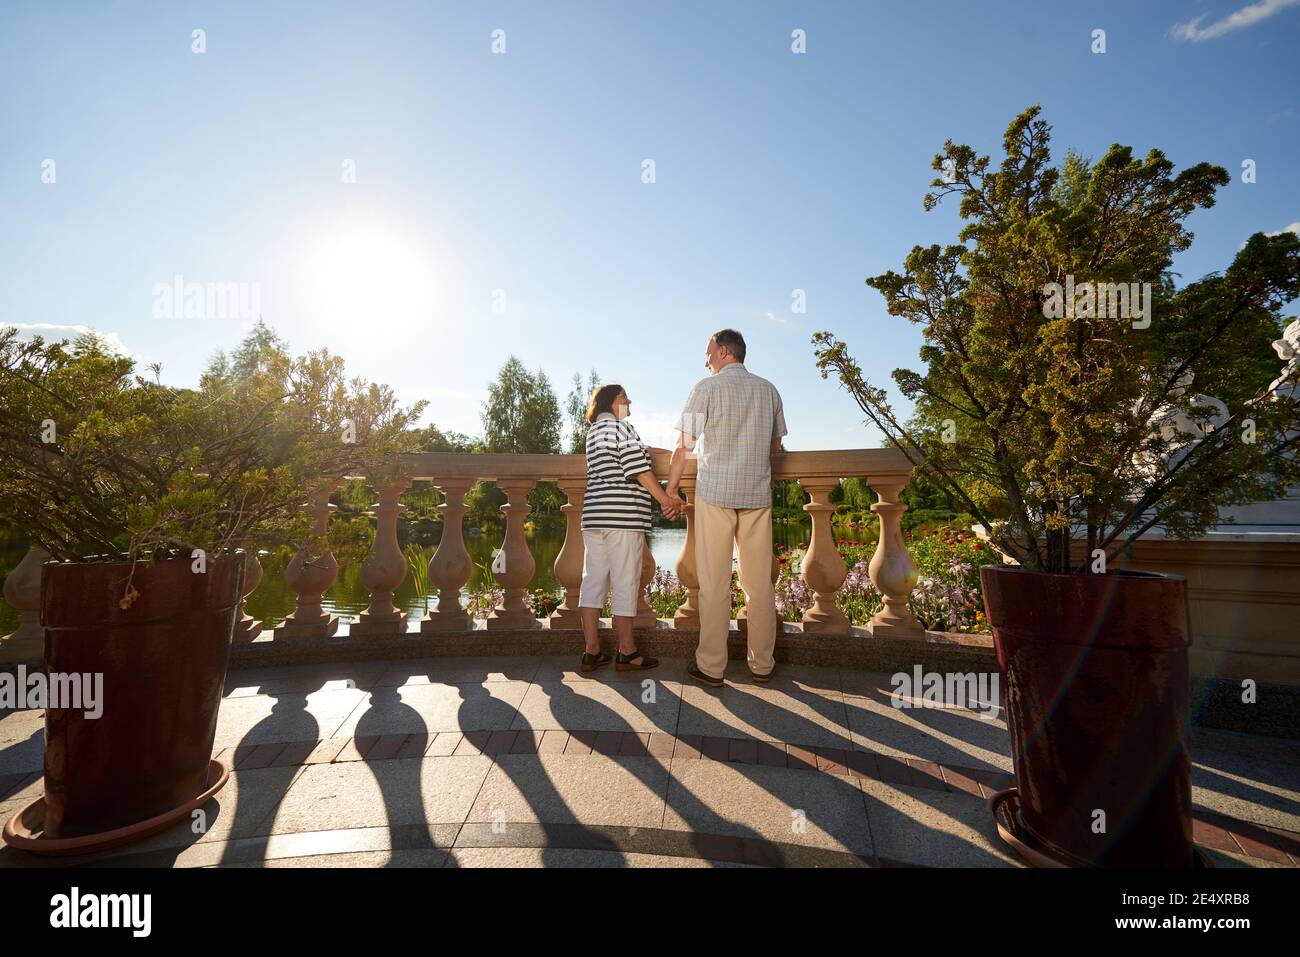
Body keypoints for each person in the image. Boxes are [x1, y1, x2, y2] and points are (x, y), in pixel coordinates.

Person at [666, 330, 786, 686]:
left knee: (715, 584)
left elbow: (684, 446)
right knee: (759, 585)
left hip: (715, 494)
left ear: (722, 352)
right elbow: (775, 447)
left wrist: (671, 489)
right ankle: (762, 665)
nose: (705, 360)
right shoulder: (769, 390)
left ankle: (712, 667)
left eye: (707, 353)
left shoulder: (706, 387)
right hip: (756, 497)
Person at [577, 384, 680, 674]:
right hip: (621, 518)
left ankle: (591, 652)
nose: (629, 400)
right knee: (625, 582)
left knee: (593, 581)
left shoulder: (595, 432)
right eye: (624, 396)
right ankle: (626, 652)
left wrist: (670, 454)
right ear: (611, 402)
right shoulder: (623, 429)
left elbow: (641, 451)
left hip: (593, 517)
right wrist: (664, 500)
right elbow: (637, 466)